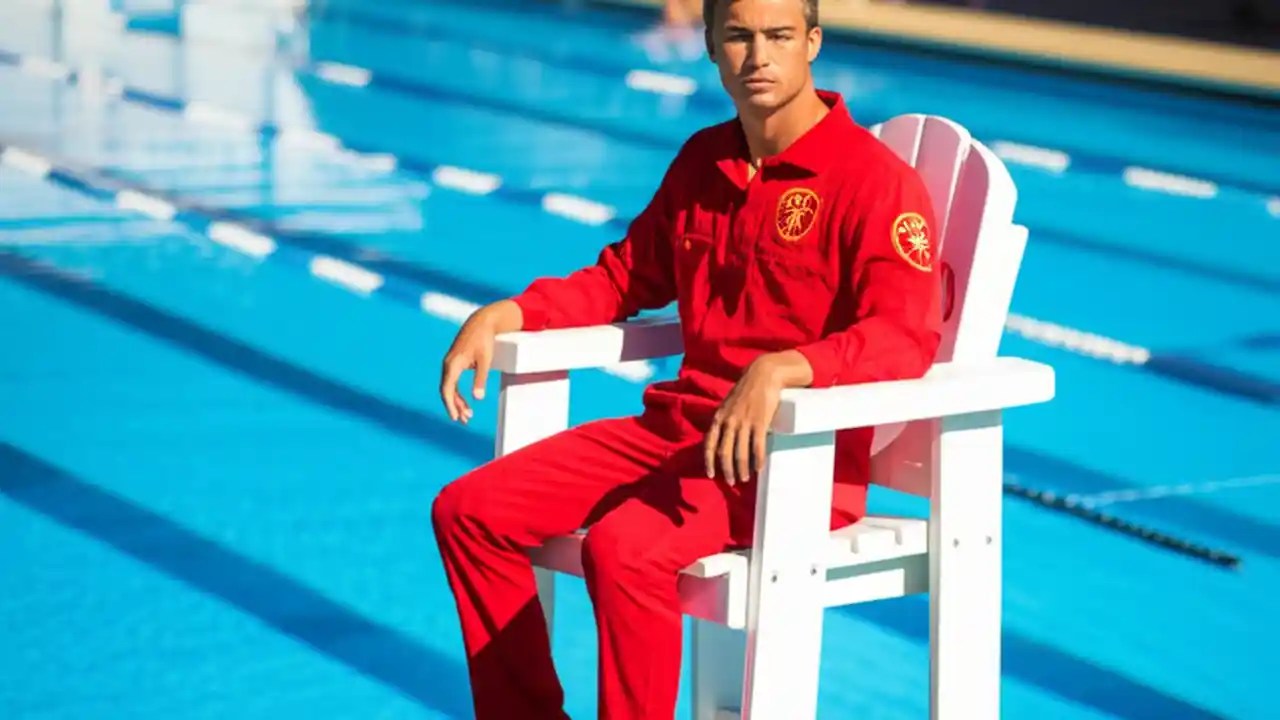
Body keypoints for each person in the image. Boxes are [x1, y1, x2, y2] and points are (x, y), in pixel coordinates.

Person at [431, 0, 941, 717]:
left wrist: (787, 366)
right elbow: (625, 276)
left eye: (778, 37)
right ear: (709, 45)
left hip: (788, 461)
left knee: (623, 548)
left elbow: (904, 336)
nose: (757, 57)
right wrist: (510, 313)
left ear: (813, 43)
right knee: (469, 510)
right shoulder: (706, 161)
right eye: (737, 36)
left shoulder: (874, 183)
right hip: (675, 434)